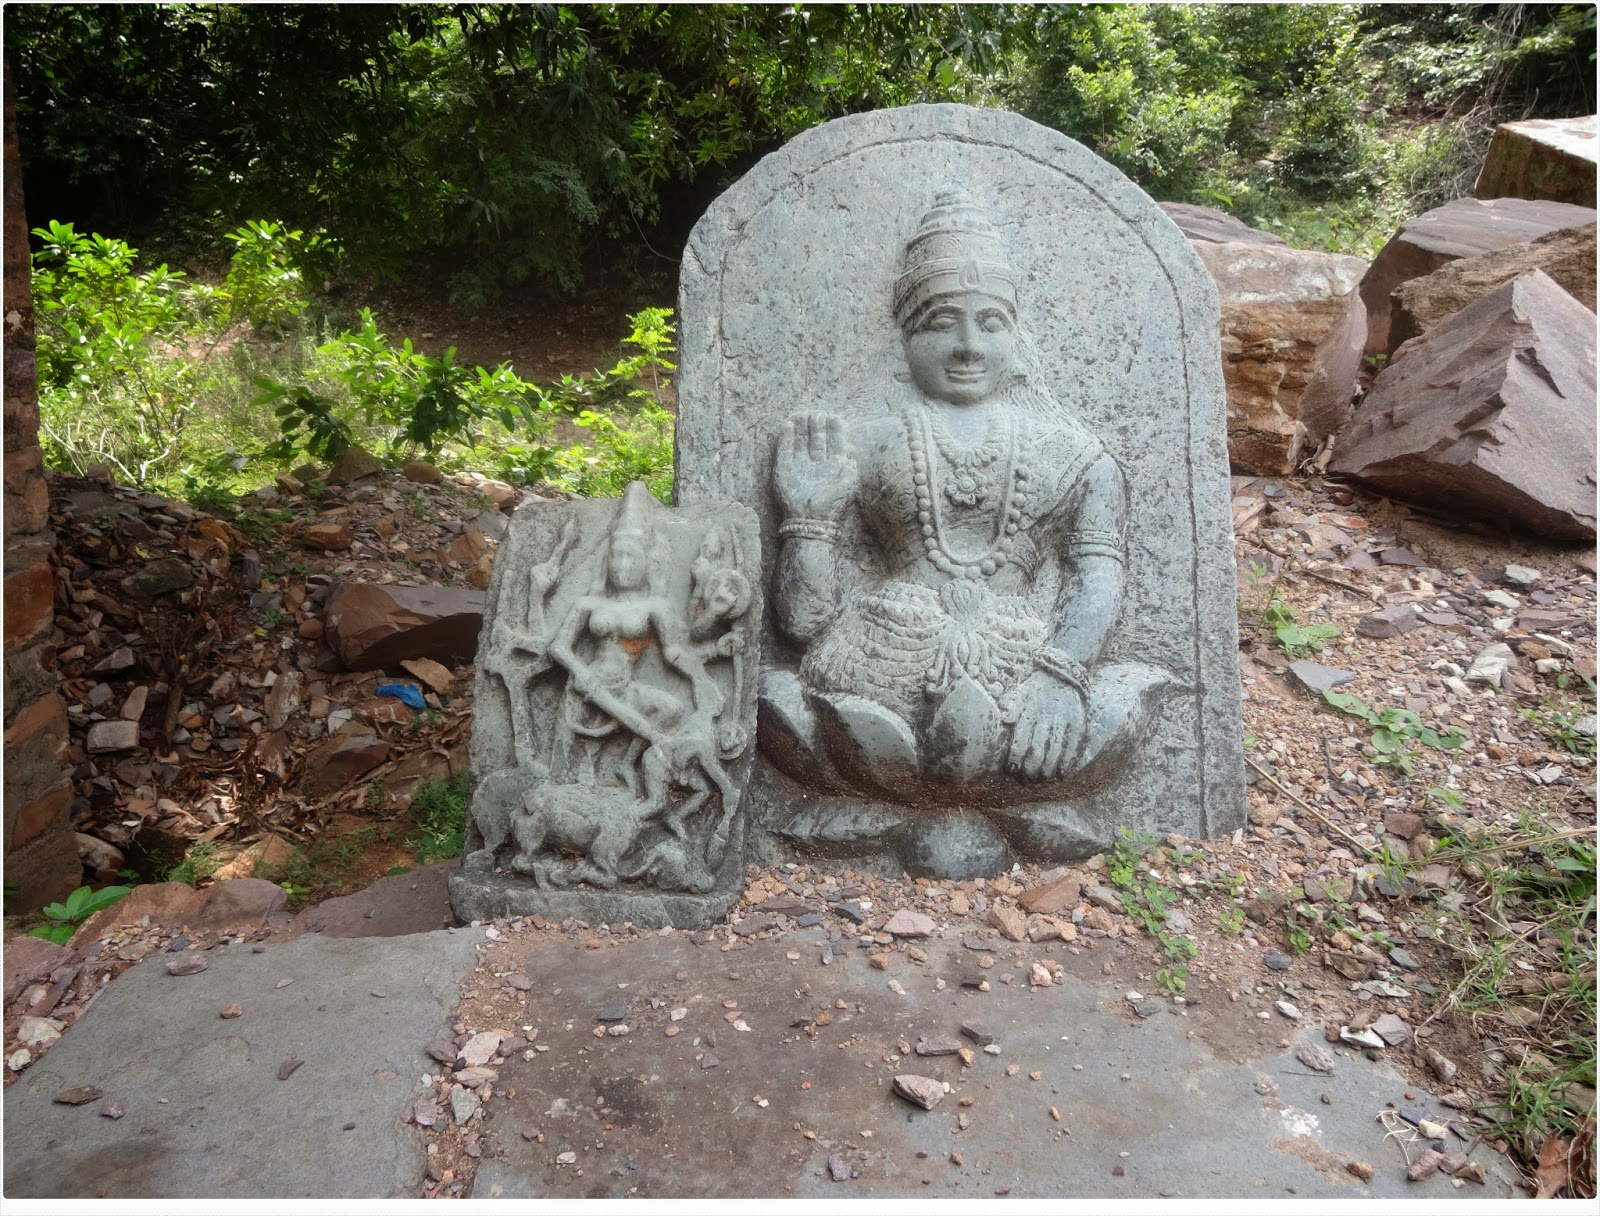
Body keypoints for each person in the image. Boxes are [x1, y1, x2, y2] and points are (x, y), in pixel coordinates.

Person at [765, 188, 1166, 802]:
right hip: (880, 665)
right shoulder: (860, 445)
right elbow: (803, 624)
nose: (969, 347)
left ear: (1017, 335)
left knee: (1114, 702)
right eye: (940, 323)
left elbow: (1096, 579)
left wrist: (1062, 676)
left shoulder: (1077, 457)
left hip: (1027, 670)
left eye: (991, 322)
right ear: (902, 337)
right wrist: (808, 521)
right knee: (786, 697)